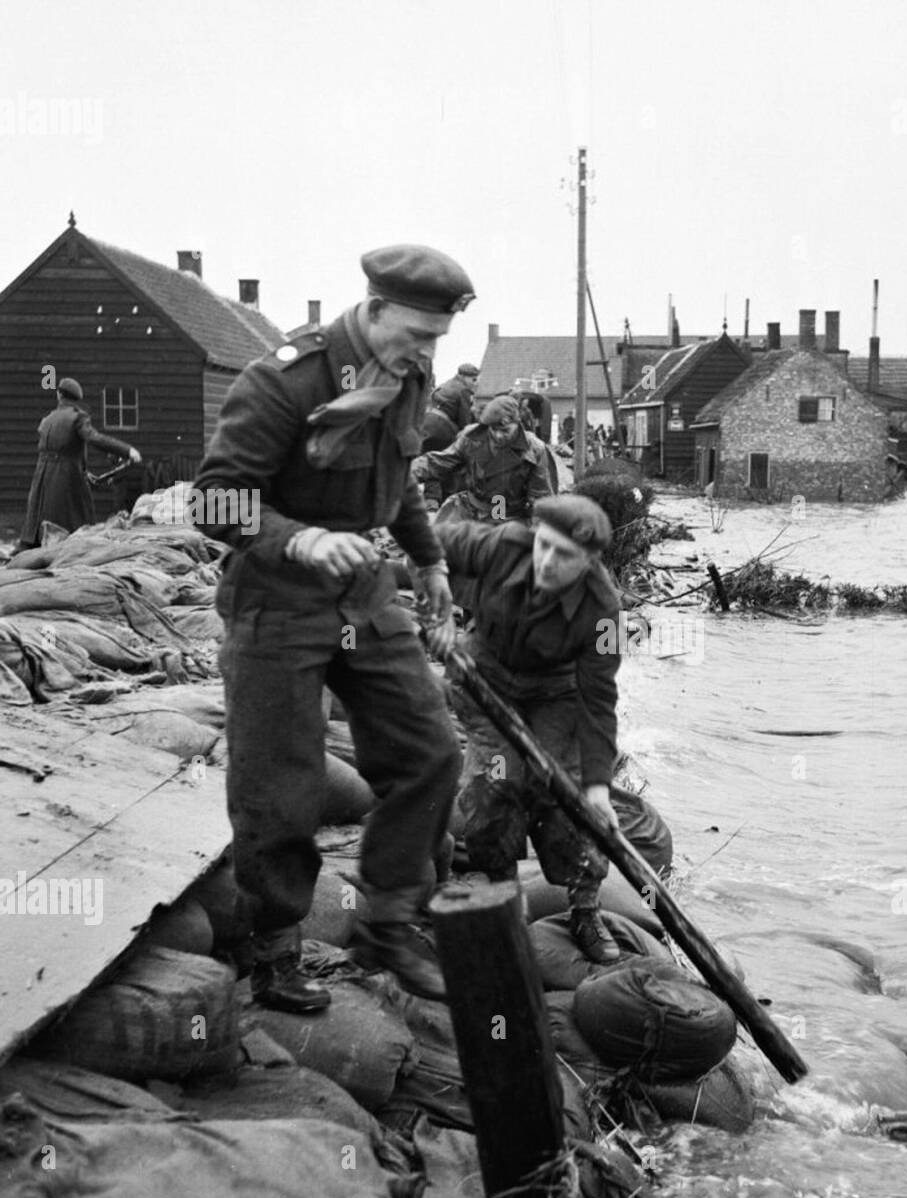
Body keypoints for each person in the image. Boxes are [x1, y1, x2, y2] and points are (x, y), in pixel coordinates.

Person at [191, 244, 473, 1012]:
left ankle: (386, 919)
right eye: (416, 334)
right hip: (275, 600)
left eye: (436, 340)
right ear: (374, 310)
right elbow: (213, 500)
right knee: (279, 788)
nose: (427, 354)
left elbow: (399, 482)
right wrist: (302, 538)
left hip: (362, 594)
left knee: (430, 753)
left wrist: (432, 561)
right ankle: (274, 947)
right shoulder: (284, 379)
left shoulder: (405, 378)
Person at [428, 494, 624, 964]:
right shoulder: (503, 544)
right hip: (485, 676)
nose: (548, 561)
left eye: (565, 556)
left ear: (590, 560)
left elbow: (599, 700)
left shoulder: (605, 610)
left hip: (556, 693)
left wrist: (598, 787)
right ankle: (503, 892)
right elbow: (427, 545)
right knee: (495, 780)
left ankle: (584, 908)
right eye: (545, 546)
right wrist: (437, 613)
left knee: (564, 791)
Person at [17, 378, 141, 549]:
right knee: (77, 528)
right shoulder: (77, 417)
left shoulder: (47, 419)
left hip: (42, 479)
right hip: (67, 480)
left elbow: (59, 449)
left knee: (38, 527)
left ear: (59, 395)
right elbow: (94, 438)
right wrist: (127, 450)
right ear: (76, 399)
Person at [414, 393, 554, 524]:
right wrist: (406, 474)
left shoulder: (534, 449)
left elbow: (540, 499)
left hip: (508, 517)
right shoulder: (472, 437)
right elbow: (439, 462)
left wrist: (538, 532)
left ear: (517, 423)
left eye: (505, 430)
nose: (498, 435)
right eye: (493, 429)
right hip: (469, 511)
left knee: (498, 546)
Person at [421, 362, 479, 453]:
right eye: (473, 380)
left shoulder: (445, 384)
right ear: (464, 377)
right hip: (441, 430)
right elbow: (464, 421)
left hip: (425, 422)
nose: (475, 384)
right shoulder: (464, 391)